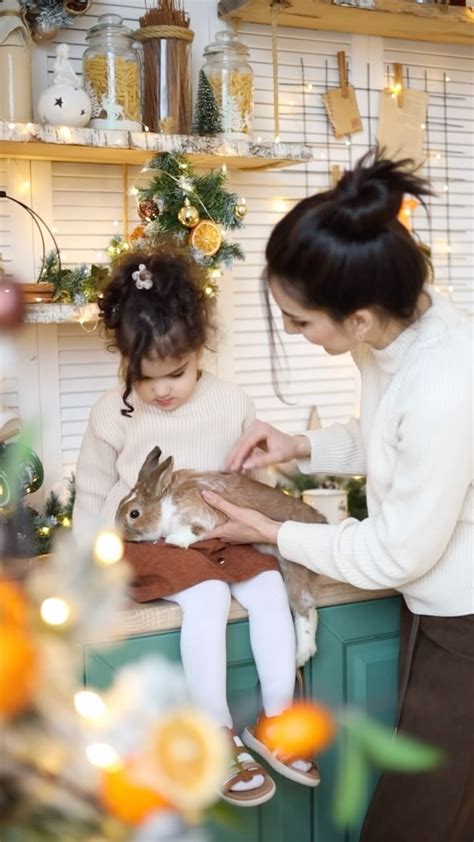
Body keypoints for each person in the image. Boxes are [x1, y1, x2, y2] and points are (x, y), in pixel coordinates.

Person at [202, 151, 474, 841]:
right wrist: (301, 445)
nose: (294, 335)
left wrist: (272, 532)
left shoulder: (445, 381)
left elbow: (395, 554)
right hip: (439, 607)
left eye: (300, 322)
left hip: (465, 618)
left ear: (355, 317)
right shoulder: (392, 332)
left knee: (412, 826)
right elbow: (388, 436)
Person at [73, 249, 319, 807]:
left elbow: (246, 482)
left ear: (200, 350)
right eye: (146, 377)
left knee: (268, 589)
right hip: (145, 541)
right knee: (207, 595)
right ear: (125, 362)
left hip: (218, 535)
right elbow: (91, 495)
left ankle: (278, 719)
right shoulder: (112, 412)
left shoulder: (232, 402)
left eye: (177, 374)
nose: (162, 391)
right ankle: (215, 731)